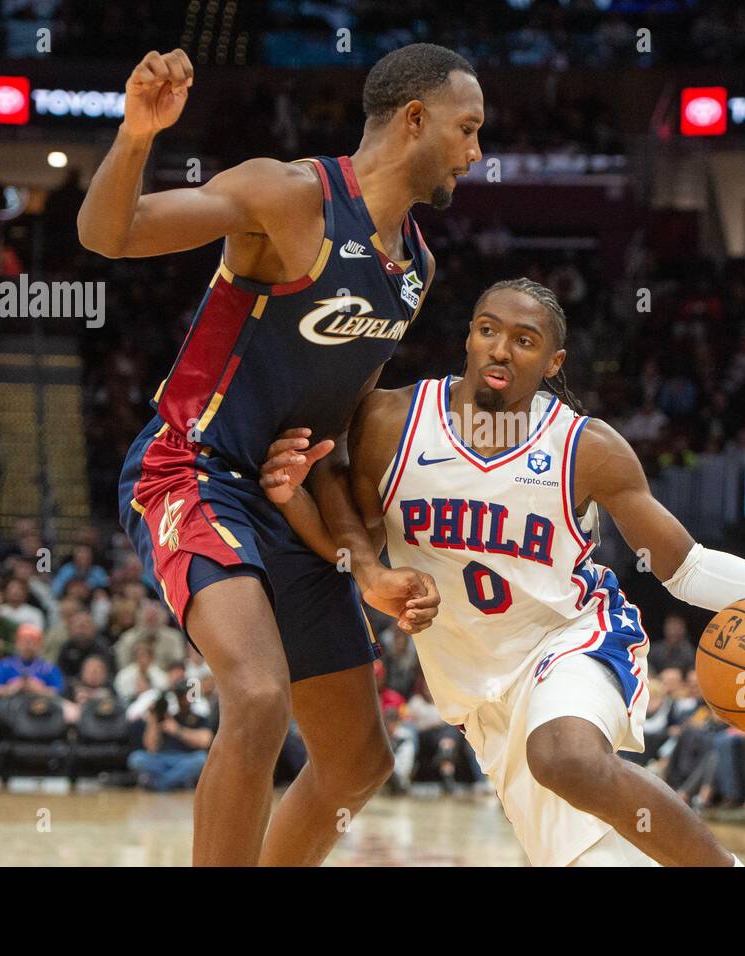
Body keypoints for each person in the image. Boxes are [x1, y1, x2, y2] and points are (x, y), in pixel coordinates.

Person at [275, 278, 745, 866]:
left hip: (574, 638)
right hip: (477, 689)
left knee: (565, 757)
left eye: (525, 340)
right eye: (488, 330)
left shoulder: (587, 448)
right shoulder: (392, 421)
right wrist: (295, 500)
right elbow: (358, 547)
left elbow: (683, 567)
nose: (500, 349)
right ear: (469, 336)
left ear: (554, 363)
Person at [83, 43, 476, 865]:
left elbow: (327, 442)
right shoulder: (290, 194)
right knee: (257, 697)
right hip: (191, 467)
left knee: (358, 762)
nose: (477, 152)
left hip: (287, 496)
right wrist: (135, 135)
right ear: (414, 120)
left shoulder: (416, 266)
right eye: (467, 129)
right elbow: (109, 234)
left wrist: (367, 570)